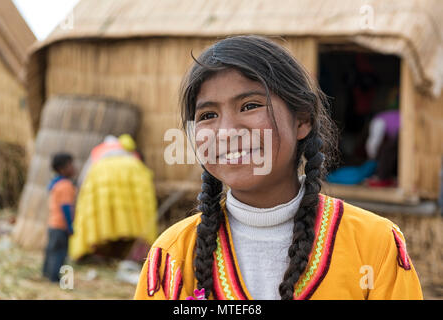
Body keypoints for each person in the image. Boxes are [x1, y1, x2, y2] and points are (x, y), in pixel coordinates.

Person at [134, 36, 422, 300]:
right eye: (208, 115)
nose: (225, 132)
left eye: (249, 106)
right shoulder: (173, 257)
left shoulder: (375, 246)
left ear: (302, 121)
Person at [69, 134, 157, 262]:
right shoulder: (131, 156)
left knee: (103, 219)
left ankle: (97, 252)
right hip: (132, 177)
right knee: (133, 219)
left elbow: (84, 176)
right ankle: (137, 255)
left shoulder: (99, 152)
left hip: (100, 180)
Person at [42, 153, 76, 282]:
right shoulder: (66, 186)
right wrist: (70, 226)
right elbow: (66, 208)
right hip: (61, 225)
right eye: (70, 165)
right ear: (62, 169)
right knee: (60, 252)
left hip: (53, 223)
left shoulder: (55, 183)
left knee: (51, 250)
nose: (74, 168)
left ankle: (46, 273)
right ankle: (54, 278)